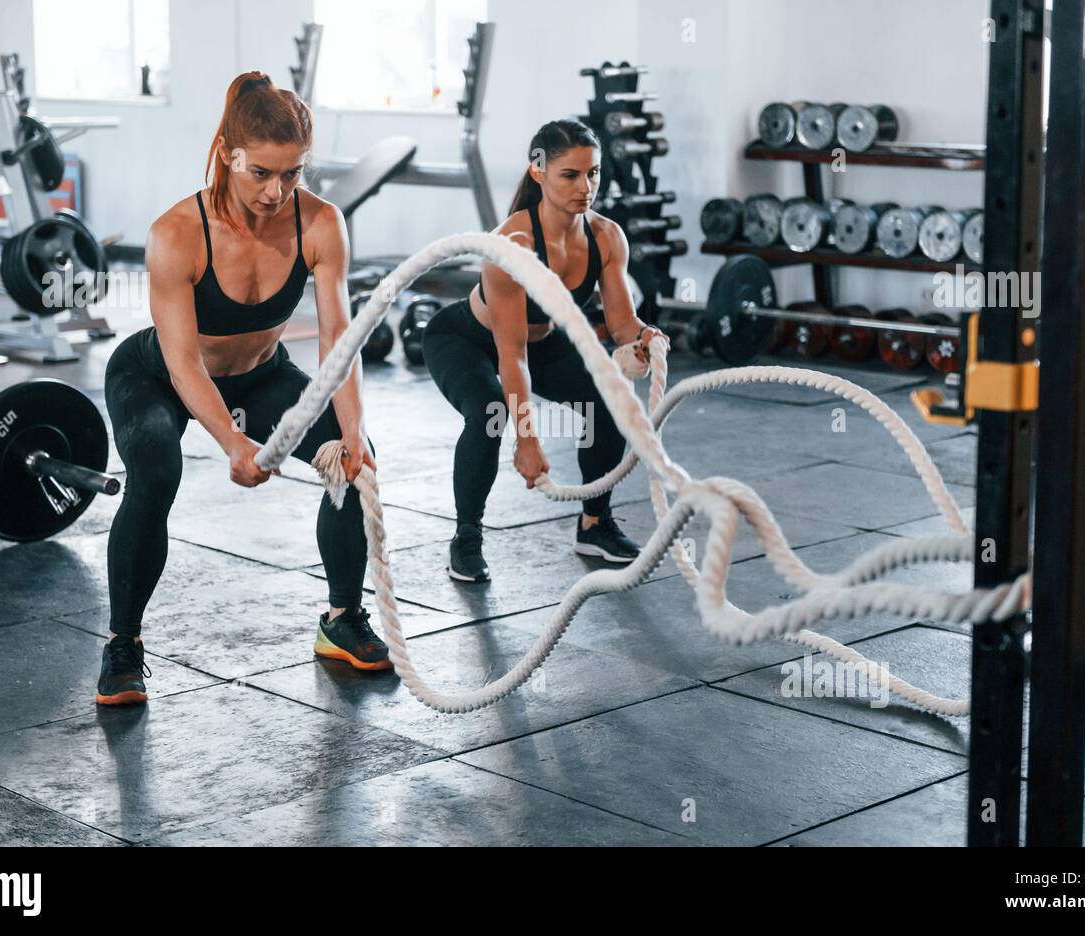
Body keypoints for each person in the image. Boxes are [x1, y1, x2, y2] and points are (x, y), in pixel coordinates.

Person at [98, 71, 389, 705]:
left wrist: (354, 431)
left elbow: (341, 339)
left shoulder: (321, 223)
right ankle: (124, 643)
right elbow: (182, 363)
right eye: (261, 173)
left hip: (260, 374)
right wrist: (231, 441)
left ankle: (341, 620)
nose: (277, 190)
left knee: (353, 463)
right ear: (229, 152)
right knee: (154, 468)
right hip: (157, 377)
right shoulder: (176, 232)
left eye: (293, 174)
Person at [421, 118, 665, 583]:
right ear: (538, 171)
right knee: (489, 411)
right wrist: (527, 439)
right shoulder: (513, 245)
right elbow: (511, 355)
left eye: (593, 173)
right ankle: (466, 540)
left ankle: (595, 524)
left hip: (543, 342)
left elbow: (620, 324)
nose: (586, 186)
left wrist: (646, 337)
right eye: (570, 175)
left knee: (609, 399)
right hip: (466, 340)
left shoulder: (606, 237)